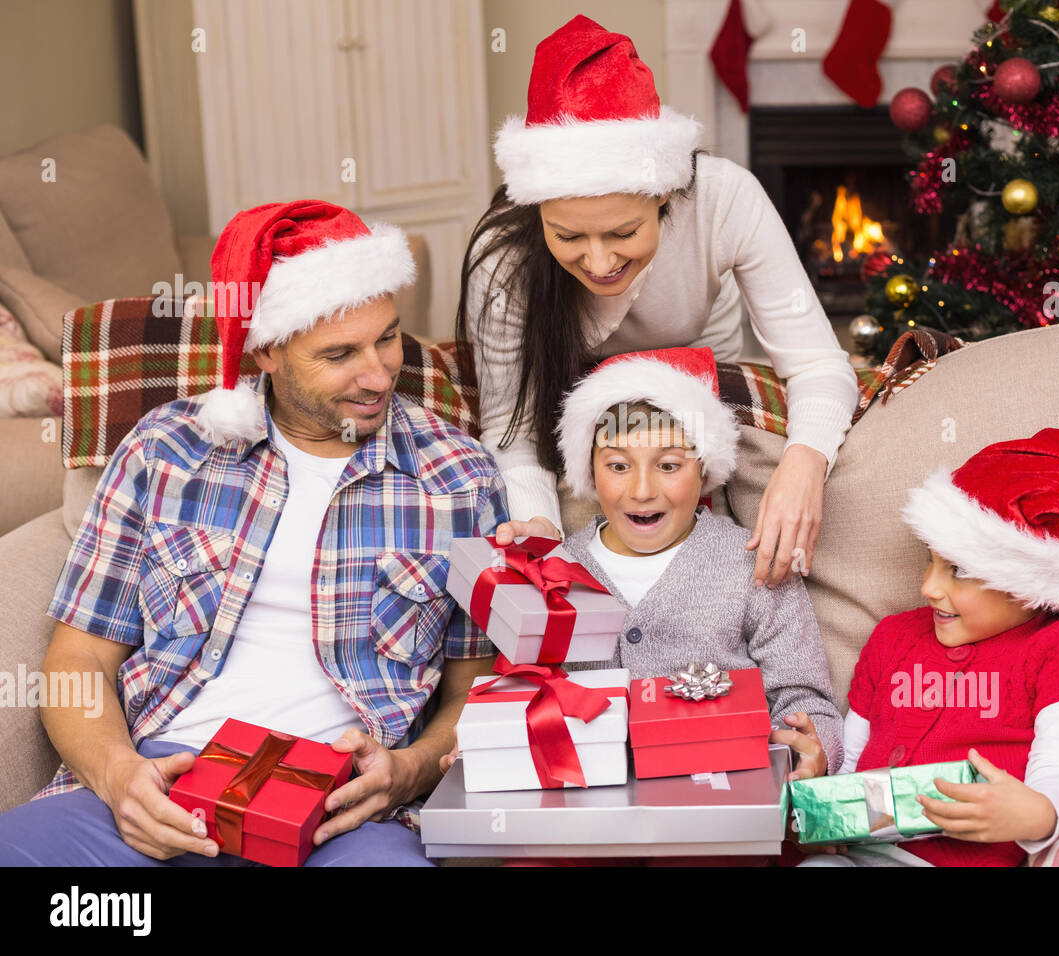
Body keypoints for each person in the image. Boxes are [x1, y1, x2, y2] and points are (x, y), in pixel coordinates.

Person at [0, 200, 509, 867]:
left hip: (343, 812)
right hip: (163, 782)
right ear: (265, 349)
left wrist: (412, 770)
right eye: (340, 354)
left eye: (387, 337)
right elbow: (79, 661)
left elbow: (479, 685)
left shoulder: (459, 476)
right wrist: (119, 777)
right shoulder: (166, 451)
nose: (380, 373)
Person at [459, 14, 861, 589]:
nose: (598, 263)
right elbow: (511, 428)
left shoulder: (725, 197)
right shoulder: (504, 255)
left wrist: (804, 465)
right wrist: (539, 525)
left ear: (668, 195)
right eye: (568, 237)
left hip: (703, 368)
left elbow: (819, 362)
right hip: (578, 408)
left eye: (623, 233)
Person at [801, 428, 1059, 867]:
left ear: (1026, 585)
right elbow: (855, 755)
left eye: (958, 570)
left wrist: (1036, 815)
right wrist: (821, 799)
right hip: (859, 850)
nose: (928, 587)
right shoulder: (894, 636)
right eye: (929, 560)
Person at [554, 346, 843, 778]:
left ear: (705, 470)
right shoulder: (557, 569)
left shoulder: (753, 563)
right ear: (589, 471)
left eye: (669, 465)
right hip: (589, 811)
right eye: (617, 465)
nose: (642, 489)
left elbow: (804, 698)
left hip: (720, 803)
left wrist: (815, 747)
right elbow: (522, 692)